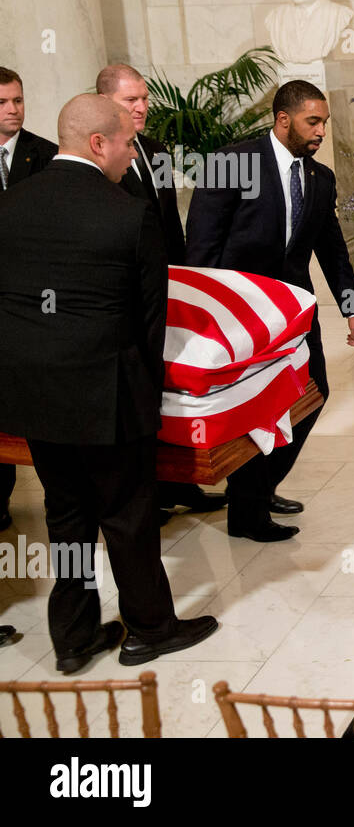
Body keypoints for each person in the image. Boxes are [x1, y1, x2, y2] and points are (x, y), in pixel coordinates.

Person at [0, 94, 218, 671]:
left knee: (66, 513)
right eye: (125, 142)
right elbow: (152, 321)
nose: (130, 155)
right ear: (98, 143)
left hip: (36, 395)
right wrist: (151, 394)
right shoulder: (128, 213)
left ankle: (73, 639)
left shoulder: (9, 205)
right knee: (128, 516)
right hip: (110, 393)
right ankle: (150, 629)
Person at [185, 80, 354, 541]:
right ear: (283, 119)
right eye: (313, 121)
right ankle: (247, 511)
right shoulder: (233, 163)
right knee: (251, 409)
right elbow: (202, 248)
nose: (321, 131)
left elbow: (332, 250)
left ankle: (260, 486)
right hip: (239, 316)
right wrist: (208, 319)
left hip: (294, 313)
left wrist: (352, 308)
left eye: (323, 122)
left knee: (313, 394)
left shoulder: (319, 178)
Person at [96, 63, 228, 521]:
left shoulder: (154, 150)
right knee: (139, 400)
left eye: (145, 98)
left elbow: (169, 226)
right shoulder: (98, 162)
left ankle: (182, 484)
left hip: (168, 290)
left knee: (173, 390)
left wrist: (190, 281)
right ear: (104, 104)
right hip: (126, 301)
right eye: (130, 100)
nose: (142, 107)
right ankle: (146, 495)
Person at [0, 66, 57, 534]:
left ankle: (58, 487)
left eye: (17, 100)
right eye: (2, 103)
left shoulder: (47, 155)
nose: (14, 109)